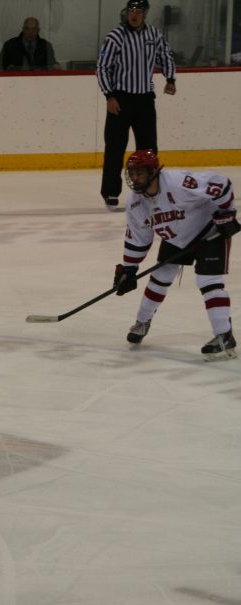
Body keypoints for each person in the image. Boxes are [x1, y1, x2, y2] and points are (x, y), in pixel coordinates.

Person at [113, 149, 237, 360]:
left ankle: (224, 334)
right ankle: (142, 323)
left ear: (154, 171)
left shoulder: (180, 182)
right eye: (132, 173)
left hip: (210, 231)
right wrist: (128, 268)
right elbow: (138, 238)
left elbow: (221, 185)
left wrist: (226, 214)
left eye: (140, 173)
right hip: (175, 237)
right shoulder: (135, 202)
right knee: (160, 277)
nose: (135, 178)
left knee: (208, 280)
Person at [96, 0, 176, 210]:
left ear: (145, 14)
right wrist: (109, 95)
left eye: (138, 11)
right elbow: (102, 67)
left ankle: (150, 189)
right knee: (114, 147)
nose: (134, 14)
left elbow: (165, 55)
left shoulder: (154, 35)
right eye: (131, 10)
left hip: (144, 100)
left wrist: (170, 79)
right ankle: (111, 192)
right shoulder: (115, 37)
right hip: (120, 100)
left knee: (149, 149)